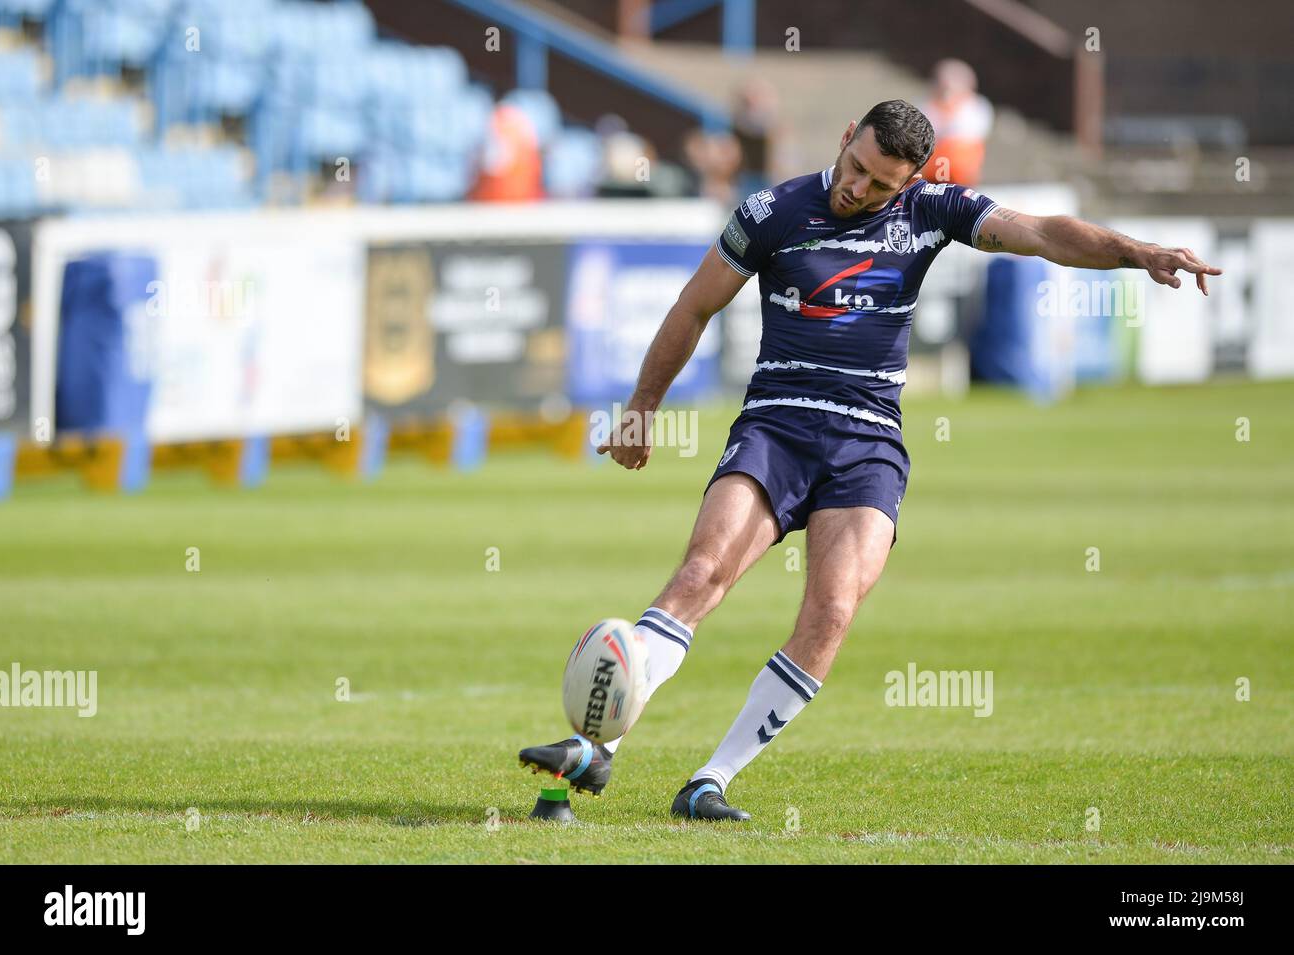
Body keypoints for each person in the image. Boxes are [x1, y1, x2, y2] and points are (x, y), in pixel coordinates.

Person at [518, 99, 1221, 822]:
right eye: (856, 169)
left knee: (831, 611)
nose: (859, 189)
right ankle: (595, 746)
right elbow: (693, 307)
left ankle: (710, 781)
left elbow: (1040, 233)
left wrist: (1136, 251)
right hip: (776, 427)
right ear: (846, 133)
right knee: (702, 572)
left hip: (868, 443)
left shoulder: (932, 211)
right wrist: (642, 405)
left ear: (909, 180)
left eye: (882, 185)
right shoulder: (771, 211)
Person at [920, 59, 993, 186]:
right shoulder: (927, 107)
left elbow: (968, 133)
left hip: (962, 175)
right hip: (933, 173)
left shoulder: (975, 107)